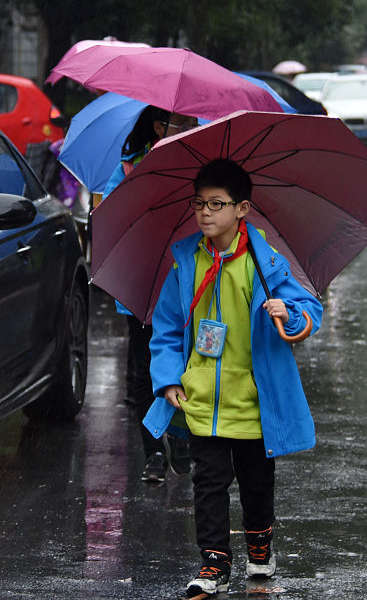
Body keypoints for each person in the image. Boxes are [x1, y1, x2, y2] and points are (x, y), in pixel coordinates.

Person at [143, 159, 322, 597]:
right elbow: (166, 329)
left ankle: (260, 546)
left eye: (217, 204)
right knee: (209, 481)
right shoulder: (187, 262)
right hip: (202, 398)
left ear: (242, 208)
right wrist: (169, 379)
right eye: (199, 203)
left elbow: (309, 310)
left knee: (257, 482)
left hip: (253, 399)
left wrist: (288, 313)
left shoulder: (265, 263)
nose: (205, 213)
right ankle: (214, 563)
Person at [103, 105, 197, 484]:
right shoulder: (128, 167)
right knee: (146, 370)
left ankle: (182, 434)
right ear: (160, 127)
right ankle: (153, 450)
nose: (193, 127)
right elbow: (111, 217)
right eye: (185, 122)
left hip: (190, 283)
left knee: (189, 364)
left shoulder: (199, 163)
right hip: (143, 284)